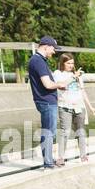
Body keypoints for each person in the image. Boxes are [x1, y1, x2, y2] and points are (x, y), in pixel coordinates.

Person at [28, 36, 69, 169]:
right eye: (53, 49)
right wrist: (60, 84)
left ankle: (49, 160)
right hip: (46, 101)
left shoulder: (39, 60)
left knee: (49, 132)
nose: (54, 52)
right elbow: (47, 84)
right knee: (49, 132)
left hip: (46, 101)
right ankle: (48, 162)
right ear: (46, 46)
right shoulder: (38, 61)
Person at [54, 54, 95, 163]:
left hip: (79, 107)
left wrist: (90, 107)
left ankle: (83, 156)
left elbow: (82, 91)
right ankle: (60, 158)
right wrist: (74, 77)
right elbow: (62, 86)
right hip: (65, 107)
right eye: (68, 63)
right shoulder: (58, 73)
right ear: (62, 63)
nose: (71, 65)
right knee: (65, 132)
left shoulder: (78, 75)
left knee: (81, 132)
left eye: (72, 63)